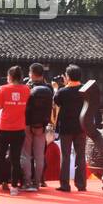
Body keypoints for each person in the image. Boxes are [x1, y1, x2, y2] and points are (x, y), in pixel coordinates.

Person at [0, 66, 30, 195]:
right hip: (19, 129)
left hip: (4, 128)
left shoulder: (3, 89)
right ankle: (14, 187)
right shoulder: (26, 89)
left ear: (10, 77)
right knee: (15, 159)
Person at [53, 64, 87, 192]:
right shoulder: (85, 90)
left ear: (67, 76)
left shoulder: (62, 91)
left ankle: (65, 184)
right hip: (81, 126)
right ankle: (81, 184)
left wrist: (58, 88)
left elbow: (57, 101)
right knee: (80, 156)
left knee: (66, 156)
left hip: (66, 127)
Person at [22, 63, 53, 192]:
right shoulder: (48, 88)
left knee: (26, 154)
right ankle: (37, 182)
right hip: (41, 125)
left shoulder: (27, 87)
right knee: (40, 155)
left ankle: (27, 182)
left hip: (28, 123)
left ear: (32, 74)